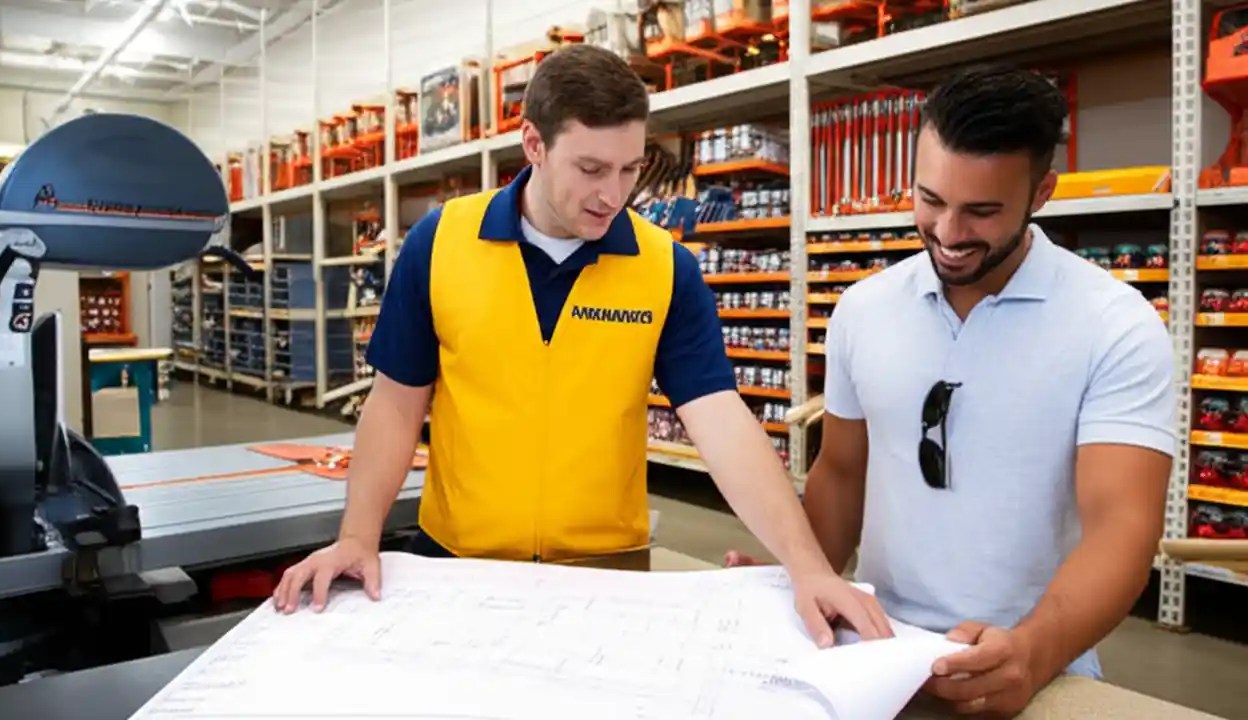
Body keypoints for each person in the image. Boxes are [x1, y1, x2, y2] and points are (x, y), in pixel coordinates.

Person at [271, 44, 893, 648]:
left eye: (630, 169)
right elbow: (395, 404)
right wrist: (358, 537)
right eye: (591, 169)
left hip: (607, 574)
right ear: (533, 144)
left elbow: (722, 422)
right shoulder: (442, 244)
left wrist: (809, 568)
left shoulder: (663, 268)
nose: (612, 195)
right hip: (457, 562)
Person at [726, 64, 1175, 716]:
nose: (948, 232)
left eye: (982, 211)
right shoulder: (864, 310)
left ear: (1041, 192)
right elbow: (843, 472)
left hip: (1035, 663)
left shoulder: (1114, 325)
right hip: (876, 650)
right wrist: (794, 578)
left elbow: (1122, 526)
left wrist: (1033, 652)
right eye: (930, 199)